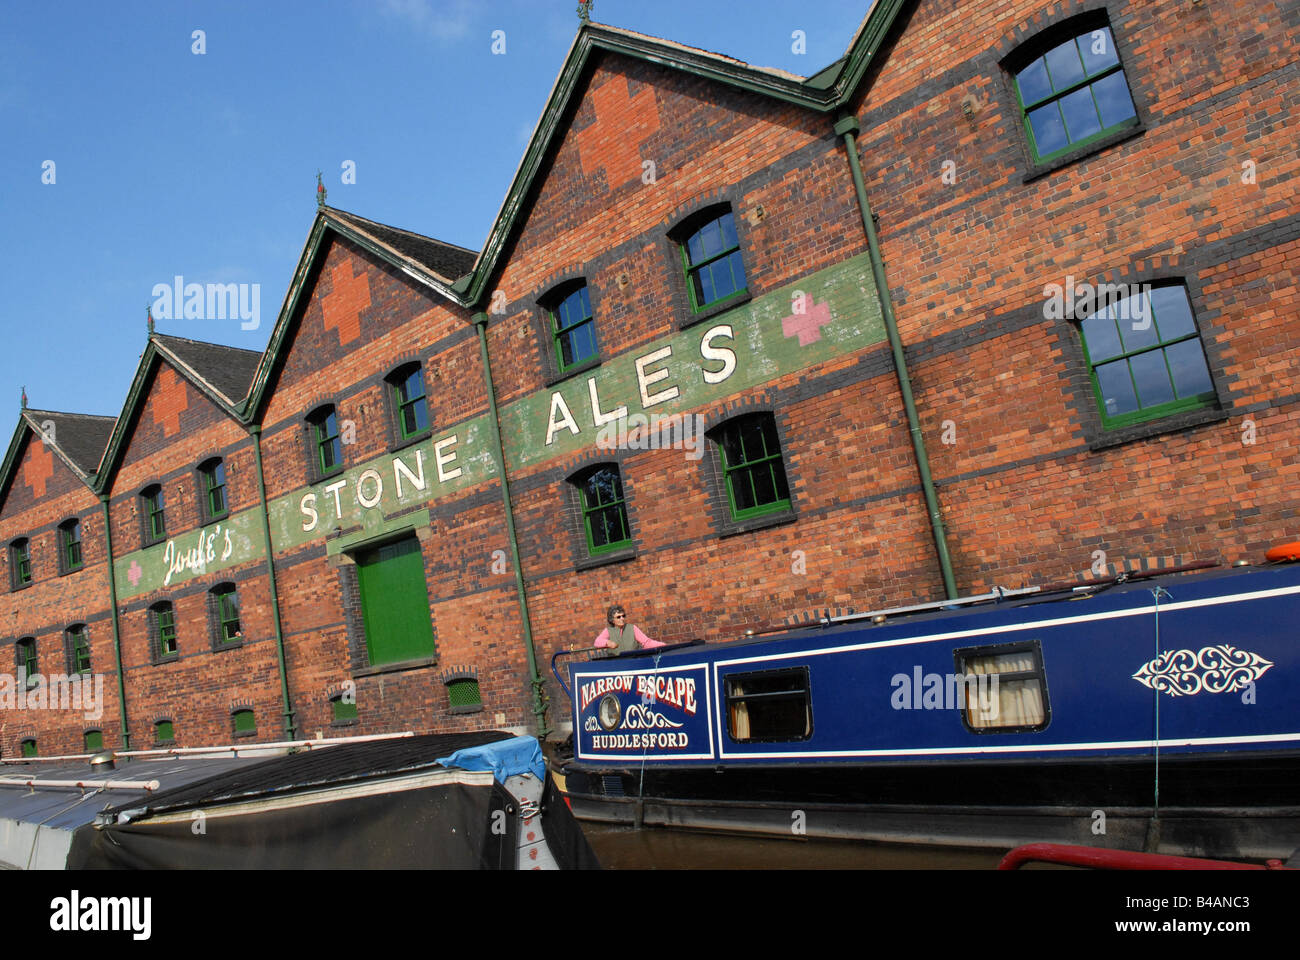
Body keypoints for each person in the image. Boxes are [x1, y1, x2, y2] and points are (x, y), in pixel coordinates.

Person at [593, 604, 664, 653]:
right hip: (616, 663)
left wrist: (662, 645)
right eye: (618, 617)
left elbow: (646, 642)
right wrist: (608, 643)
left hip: (633, 660)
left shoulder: (632, 628)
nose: (622, 618)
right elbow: (597, 642)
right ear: (612, 620)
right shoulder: (608, 630)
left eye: (623, 616)